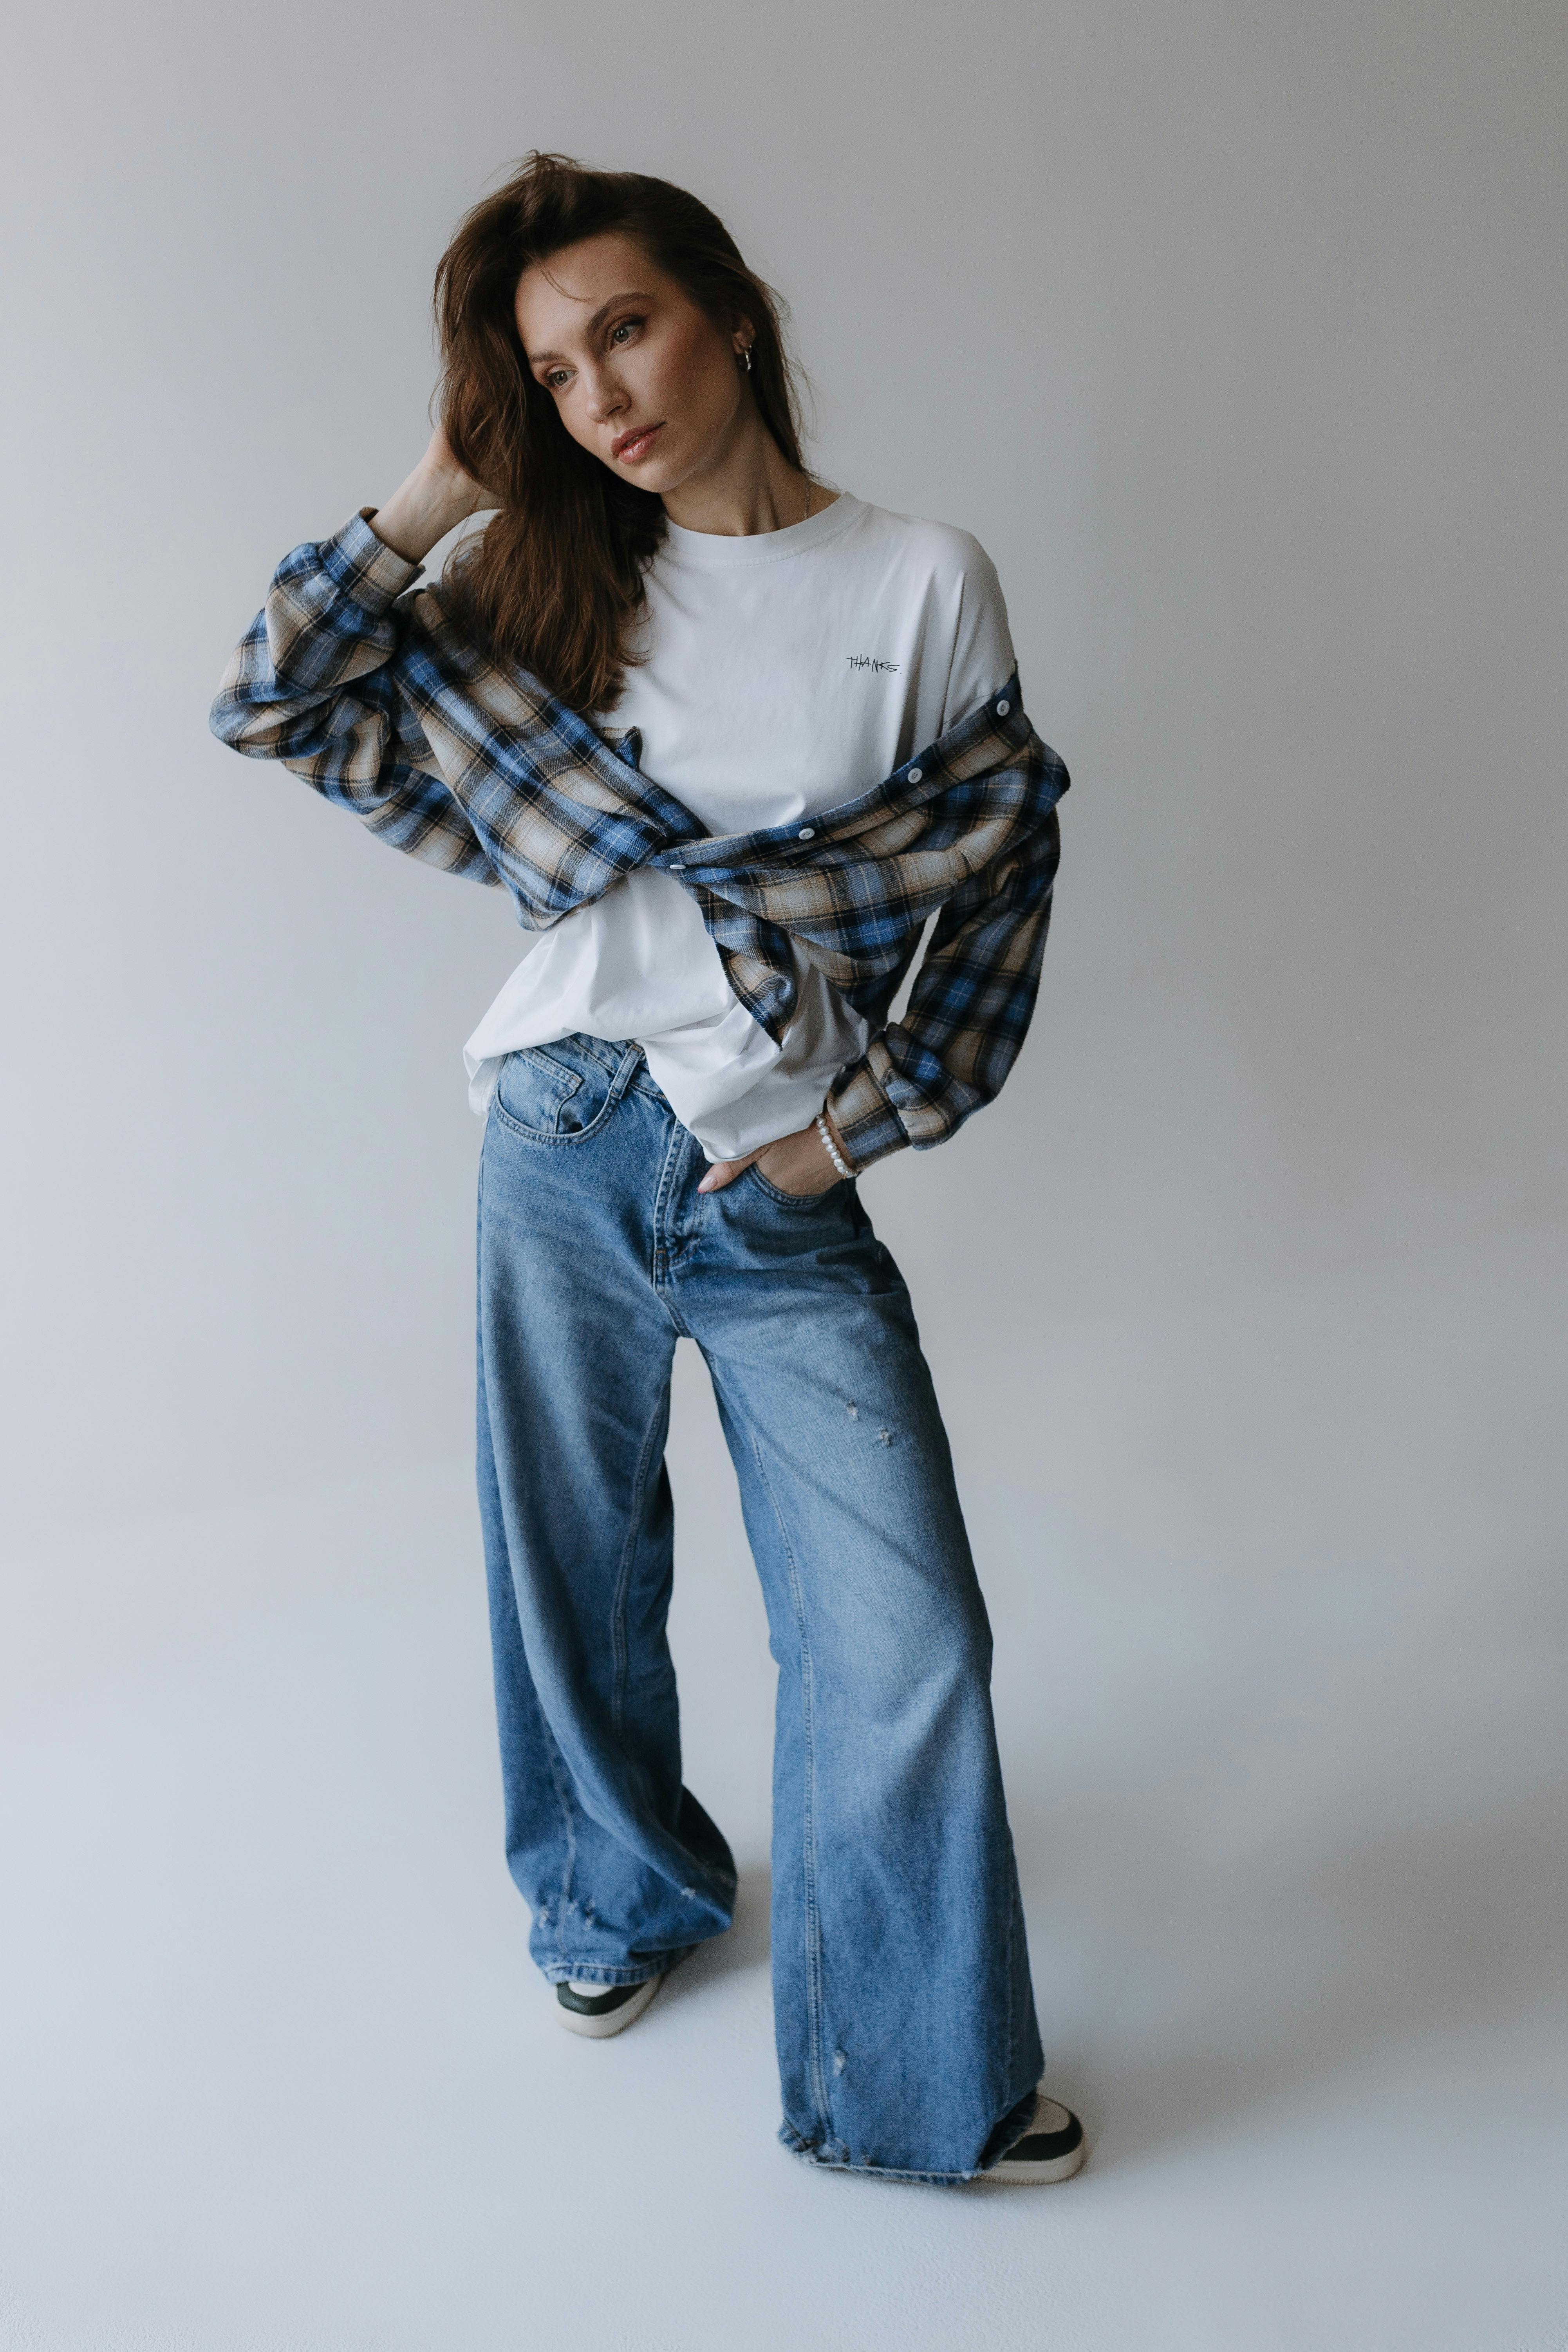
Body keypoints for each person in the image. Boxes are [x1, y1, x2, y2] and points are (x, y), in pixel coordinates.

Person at [211, 152, 1079, 2186]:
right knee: (576, 1561)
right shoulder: (537, 576)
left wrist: (846, 1135)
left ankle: (903, 2079)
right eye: (549, 366)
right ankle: (616, 1898)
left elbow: (1003, 859)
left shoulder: (921, 581)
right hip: (563, 1131)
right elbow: (270, 694)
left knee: (902, 1628)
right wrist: (434, 490)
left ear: (731, 313)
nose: (601, 390)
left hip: (771, 1173)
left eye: (625, 326)